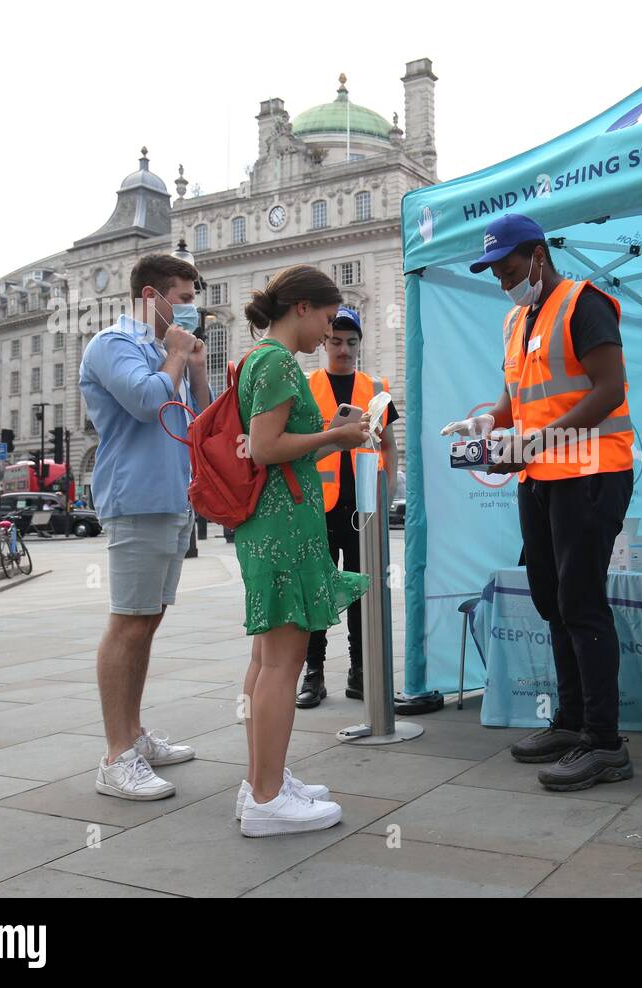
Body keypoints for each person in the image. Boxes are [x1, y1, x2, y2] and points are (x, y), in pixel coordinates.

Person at [443, 213, 636, 792]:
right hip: (541, 475)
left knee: (580, 601)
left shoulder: (584, 304)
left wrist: (538, 440)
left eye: (508, 270)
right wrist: (485, 423)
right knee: (552, 600)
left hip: (592, 472)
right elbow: (518, 398)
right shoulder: (516, 320)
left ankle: (606, 743)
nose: (504, 282)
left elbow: (610, 390)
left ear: (537, 256)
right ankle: (572, 722)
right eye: (496, 274)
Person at [235, 264, 371, 837]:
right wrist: (335, 436)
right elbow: (266, 448)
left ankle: (262, 779)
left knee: (268, 660)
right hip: (282, 526)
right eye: (326, 318)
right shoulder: (275, 360)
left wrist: (324, 437)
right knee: (283, 664)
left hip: (278, 519)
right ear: (302, 308)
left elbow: (274, 452)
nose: (328, 333)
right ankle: (267, 798)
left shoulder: (260, 359)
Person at [79, 253, 212, 801]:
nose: (191, 308)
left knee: (148, 620)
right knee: (128, 622)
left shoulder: (164, 352)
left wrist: (194, 364)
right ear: (151, 296)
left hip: (171, 497)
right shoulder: (114, 344)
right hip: (136, 496)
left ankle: (133, 734)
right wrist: (177, 355)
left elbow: (203, 418)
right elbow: (145, 403)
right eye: (183, 297)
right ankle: (116, 757)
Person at [296, 306, 399, 708]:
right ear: (324, 343)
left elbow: (389, 447)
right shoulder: (306, 386)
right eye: (336, 341)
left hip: (362, 510)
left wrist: (385, 495)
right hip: (317, 509)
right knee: (317, 593)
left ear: (360, 343)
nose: (344, 349)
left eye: (351, 342)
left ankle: (360, 672)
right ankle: (314, 674)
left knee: (360, 594)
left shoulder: (376, 388)